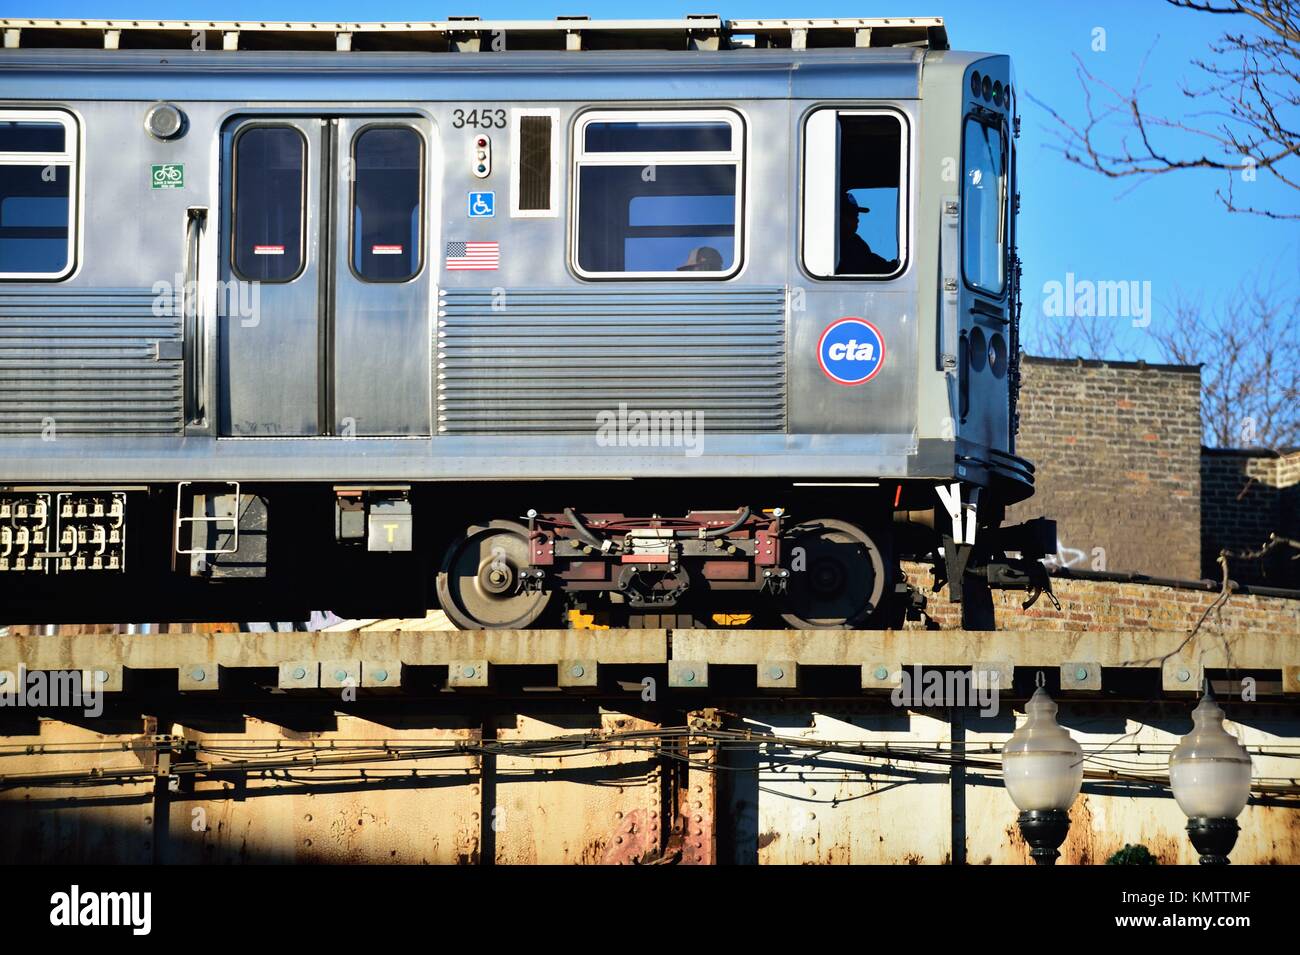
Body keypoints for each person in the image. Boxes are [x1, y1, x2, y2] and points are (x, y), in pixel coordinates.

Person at [836, 193, 895, 275]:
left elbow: (870, 262)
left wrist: (894, 267)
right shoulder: (831, 244)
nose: (857, 220)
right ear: (837, 216)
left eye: (856, 216)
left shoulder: (855, 242)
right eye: (850, 215)